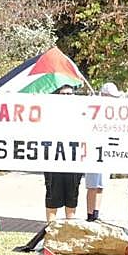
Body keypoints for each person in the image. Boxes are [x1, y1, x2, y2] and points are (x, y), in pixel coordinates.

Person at [44, 84, 83, 221]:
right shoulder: (49, 112)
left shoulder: (81, 113)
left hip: (74, 160)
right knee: (52, 197)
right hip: (53, 160)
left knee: (72, 198)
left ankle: (69, 228)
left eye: (70, 94)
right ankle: (50, 229)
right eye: (63, 94)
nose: (67, 97)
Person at [85, 81, 121, 222]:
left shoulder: (113, 111)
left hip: (106, 151)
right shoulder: (93, 107)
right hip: (94, 151)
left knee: (101, 185)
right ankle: (89, 214)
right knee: (92, 185)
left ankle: (96, 213)